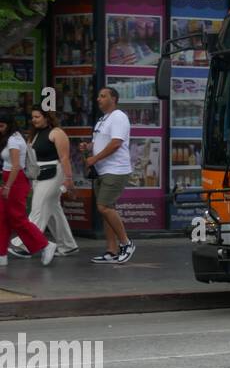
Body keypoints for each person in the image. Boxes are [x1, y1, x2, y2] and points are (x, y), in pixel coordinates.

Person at [8, 109, 78, 259]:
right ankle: (67, 245)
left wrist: (69, 178)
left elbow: (65, 158)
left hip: (55, 173)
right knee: (53, 211)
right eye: (32, 117)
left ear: (46, 117)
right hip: (39, 175)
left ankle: (26, 244)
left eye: (37, 117)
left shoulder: (57, 132)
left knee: (38, 208)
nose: (34, 119)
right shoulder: (34, 135)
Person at [81, 87, 135, 263]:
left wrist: (94, 158)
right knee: (107, 210)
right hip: (103, 170)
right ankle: (111, 251)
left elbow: (115, 144)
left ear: (114, 99)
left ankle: (126, 243)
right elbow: (101, 141)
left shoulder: (119, 117)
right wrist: (88, 147)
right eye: (98, 96)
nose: (98, 99)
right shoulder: (104, 119)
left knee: (103, 206)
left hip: (116, 169)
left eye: (103, 96)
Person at [0, 114, 55, 267]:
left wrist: (8, 186)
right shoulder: (12, 137)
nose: (0, 129)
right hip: (11, 181)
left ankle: (45, 245)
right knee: (3, 218)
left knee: (17, 219)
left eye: (2, 126)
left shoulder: (13, 140)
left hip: (15, 183)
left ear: (9, 125)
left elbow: (16, 166)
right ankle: (1, 254)